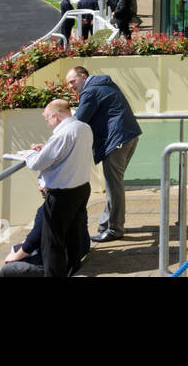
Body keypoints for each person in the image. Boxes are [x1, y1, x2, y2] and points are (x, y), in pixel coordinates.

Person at [66, 65, 142, 243]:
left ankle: (115, 229)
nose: (70, 86)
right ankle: (106, 223)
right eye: (68, 84)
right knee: (113, 185)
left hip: (117, 141)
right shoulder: (104, 84)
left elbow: (79, 121)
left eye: (72, 81)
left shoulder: (90, 91)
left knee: (114, 187)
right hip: (128, 137)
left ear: (83, 77)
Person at [21, 99, 93, 277]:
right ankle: (73, 267)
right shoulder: (84, 127)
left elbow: (38, 163)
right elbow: (67, 154)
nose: (47, 122)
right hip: (81, 188)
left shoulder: (62, 134)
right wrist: (46, 148)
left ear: (55, 115)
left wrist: (28, 154)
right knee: (73, 233)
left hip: (62, 195)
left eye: (47, 119)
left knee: (52, 240)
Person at [0, 198, 91, 277]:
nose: (40, 188)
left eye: (43, 184)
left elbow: (33, 240)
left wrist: (15, 256)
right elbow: (36, 235)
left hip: (58, 262)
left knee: (7, 269)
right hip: (81, 250)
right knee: (19, 248)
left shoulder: (47, 209)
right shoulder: (76, 200)